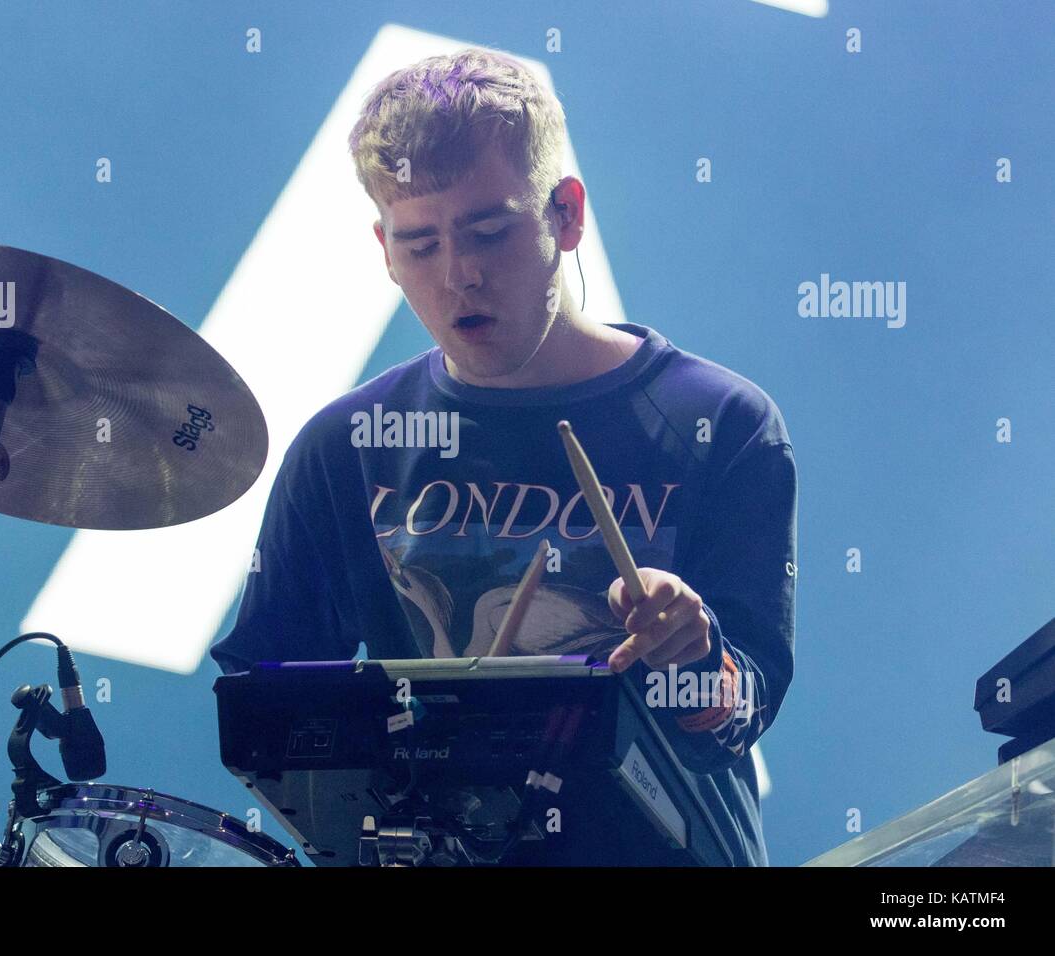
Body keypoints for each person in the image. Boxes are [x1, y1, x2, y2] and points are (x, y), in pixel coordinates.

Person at [211, 46, 797, 866]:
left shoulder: (722, 423)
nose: (461, 276)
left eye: (489, 231)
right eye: (420, 245)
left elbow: (743, 711)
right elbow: (262, 699)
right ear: (382, 247)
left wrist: (695, 655)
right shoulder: (344, 448)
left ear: (566, 214)